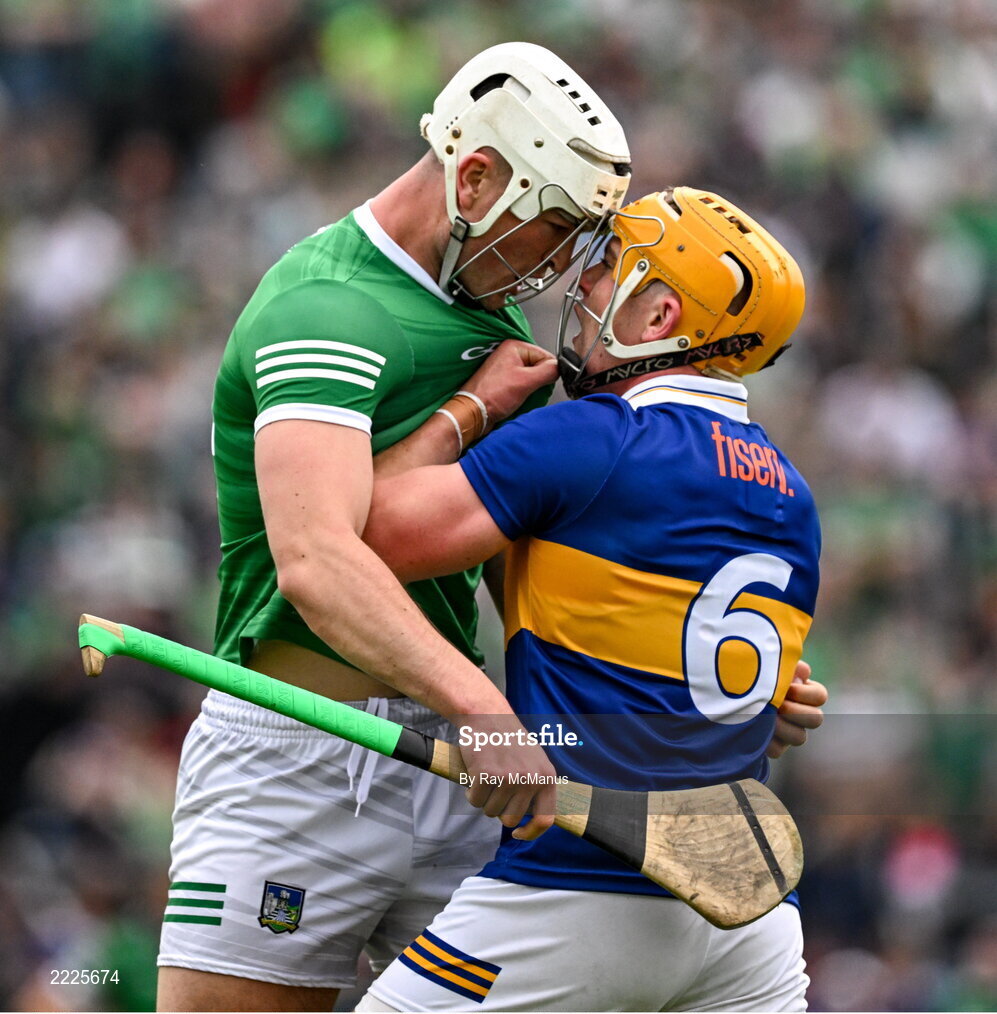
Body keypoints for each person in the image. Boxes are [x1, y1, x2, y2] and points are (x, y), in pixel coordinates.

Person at [156, 42, 633, 1013]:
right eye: (550, 228)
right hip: (296, 758)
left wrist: (718, 673)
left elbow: (538, 572)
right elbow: (317, 562)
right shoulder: (326, 306)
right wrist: (484, 707)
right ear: (474, 178)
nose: (555, 267)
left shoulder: (498, 333)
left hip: (458, 763)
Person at [356, 187, 822, 1012]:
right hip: (749, 927)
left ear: (660, 317)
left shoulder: (596, 436)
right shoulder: (791, 494)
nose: (587, 287)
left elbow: (368, 531)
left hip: (576, 890)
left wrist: (474, 407)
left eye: (611, 269)